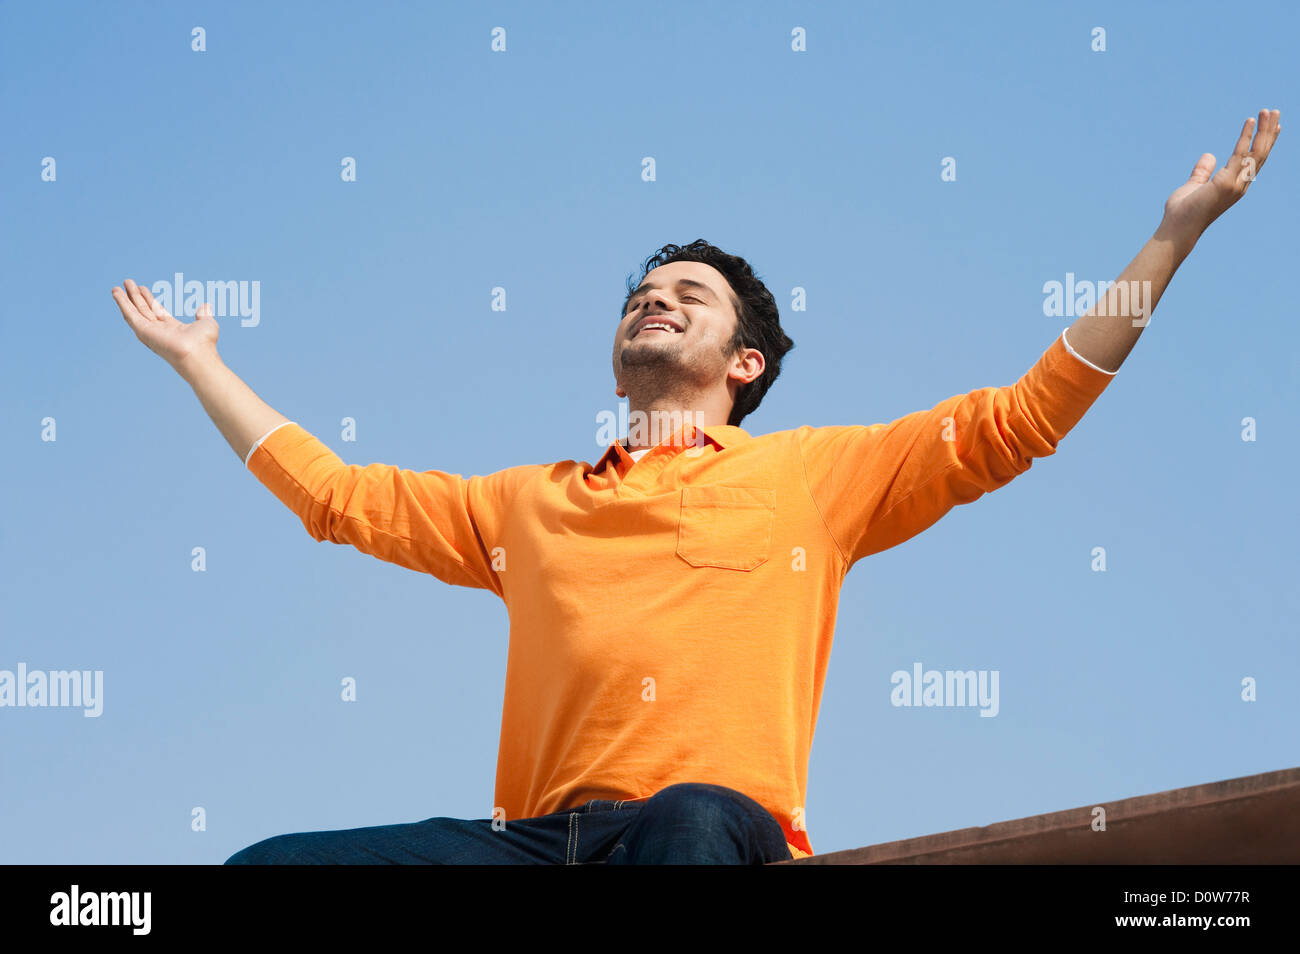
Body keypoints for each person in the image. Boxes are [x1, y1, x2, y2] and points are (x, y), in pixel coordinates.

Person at [111, 110, 1281, 864]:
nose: (652, 300)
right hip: (532, 845)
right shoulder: (529, 504)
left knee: (688, 818)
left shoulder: (814, 477)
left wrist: (1170, 240)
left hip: (708, 837)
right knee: (266, 868)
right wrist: (205, 363)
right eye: (640, 292)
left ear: (744, 362)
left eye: (687, 295)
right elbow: (339, 497)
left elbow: (1024, 417)